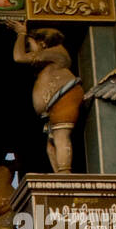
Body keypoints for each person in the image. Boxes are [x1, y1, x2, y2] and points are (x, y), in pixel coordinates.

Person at [11, 22, 82, 173]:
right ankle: (61, 174)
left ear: (42, 43)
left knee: (60, 136)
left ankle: (64, 173)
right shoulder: (50, 56)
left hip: (64, 98)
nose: (28, 50)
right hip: (54, 105)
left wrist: (21, 33)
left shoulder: (55, 52)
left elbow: (19, 57)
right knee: (51, 146)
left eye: (29, 45)